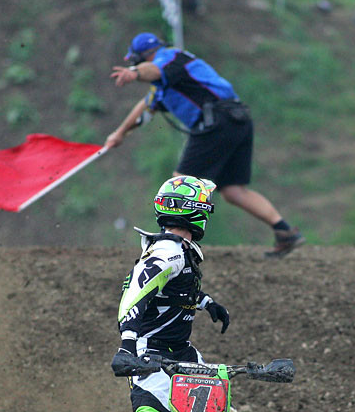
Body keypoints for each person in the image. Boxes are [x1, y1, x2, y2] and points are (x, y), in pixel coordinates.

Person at [111, 174, 270, 412]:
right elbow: (135, 294)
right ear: (194, 212)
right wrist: (127, 346)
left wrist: (207, 303)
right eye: (206, 208)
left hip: (183, 353)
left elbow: (172, 292)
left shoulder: (174, 250)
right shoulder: (168, 252)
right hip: (149, 355)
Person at [104, 32, 305, 258]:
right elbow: (144, 107)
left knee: (181, 182)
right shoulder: (162, 87)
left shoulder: (170, 58)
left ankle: (175, 246)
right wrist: (119, 133)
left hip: (217, 121)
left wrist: (134, 73)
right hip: (237, 120)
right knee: (233, 190)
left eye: (136, 62)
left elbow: (154, 70)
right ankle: (285, 231)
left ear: (145, 56)